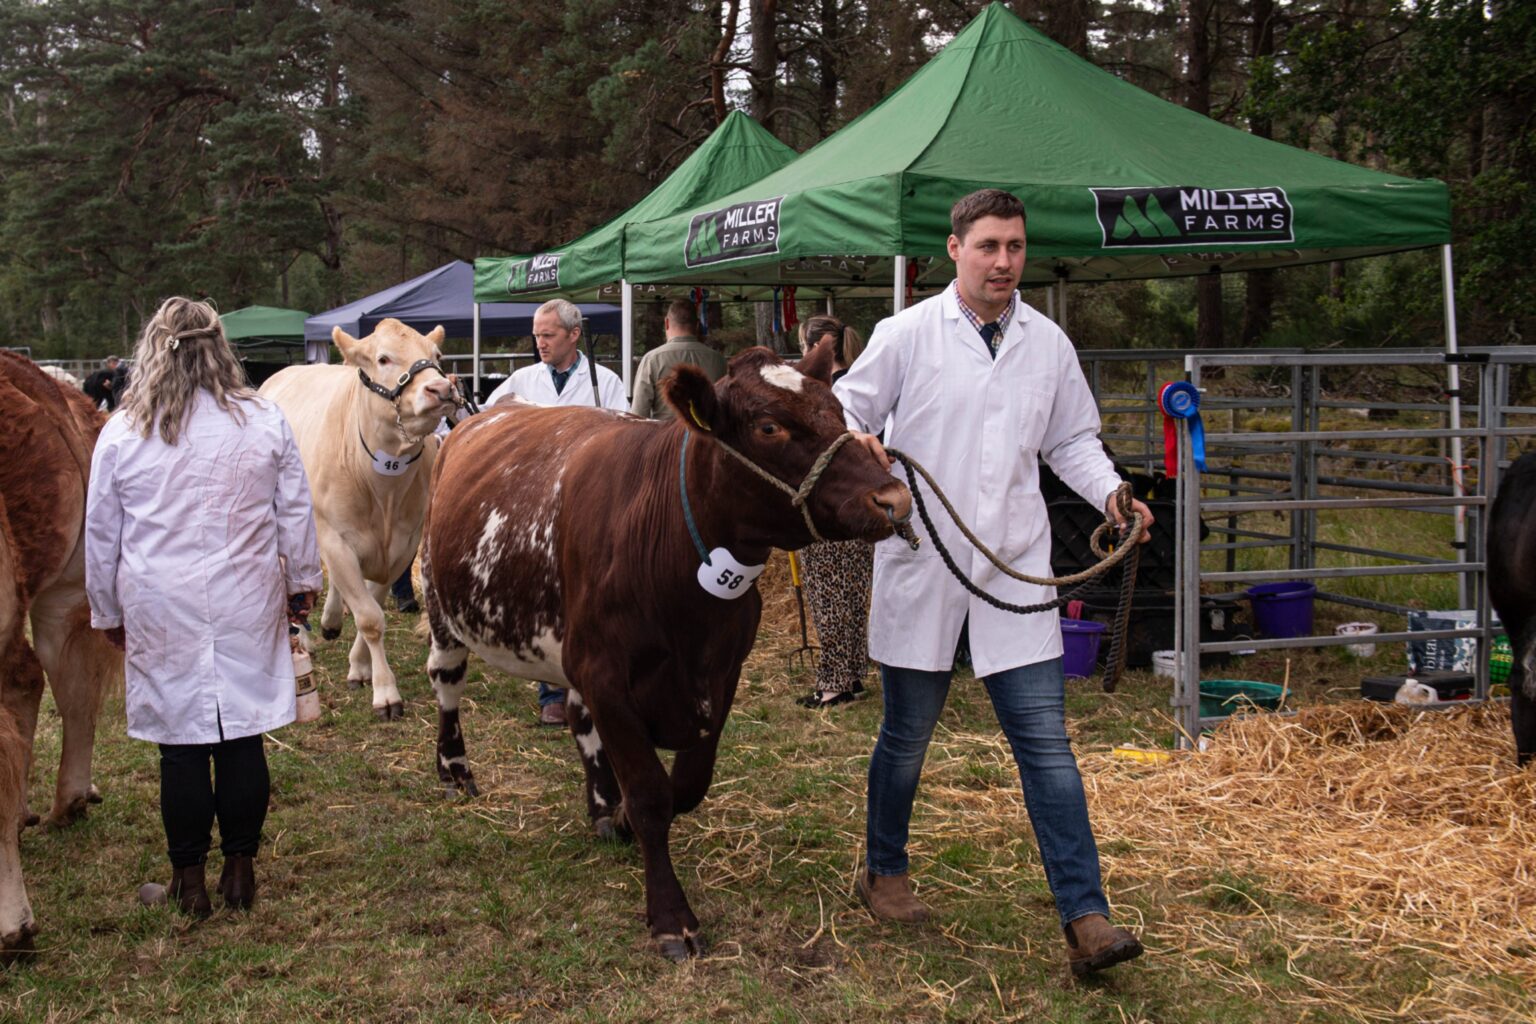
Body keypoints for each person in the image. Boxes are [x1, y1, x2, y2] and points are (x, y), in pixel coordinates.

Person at [833, 189, 1154, 977]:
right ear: (955, 250)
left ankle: (1087, 917)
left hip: (1015, 565)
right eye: (988, 246)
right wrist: (865, 450)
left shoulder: (1047, 343)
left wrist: (1111, 494)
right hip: (925, 558)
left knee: (1046, 747)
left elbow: (1072, 441)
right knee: (906, 739)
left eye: (1015, 246)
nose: (1004, 261)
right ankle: (885, 867)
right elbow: (844, 415)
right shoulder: (905, 334)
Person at [84, 296, 322, 917]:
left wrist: (106, 610)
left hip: (161, 602)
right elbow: (293, 511)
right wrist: (302, 580)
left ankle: (190, 880)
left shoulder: (122, 431)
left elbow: (101, 533)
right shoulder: (263, 419)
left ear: (151, 350)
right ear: (220, 347)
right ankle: (240, 870)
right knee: (243, 737)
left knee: (181, 743)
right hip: (244, 593)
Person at [484, 298, 626, 725]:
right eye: (536, 335)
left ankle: (588, 680)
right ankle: (551, 690)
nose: (539, 343)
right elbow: (487, 424)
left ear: (573, 335)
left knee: (588, 589)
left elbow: (624, 429)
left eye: (548, 335)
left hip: (591, 502)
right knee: (548, 590)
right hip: (533, 505)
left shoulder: (605, 381)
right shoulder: (522, 381)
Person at [793, 315, 874, 709]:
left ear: (818, 348)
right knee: (853, 595)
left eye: (804, 347)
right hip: (858, 506)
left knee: (830, 597)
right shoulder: (860, 386)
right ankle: (852, 674)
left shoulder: (829, 395)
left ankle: (834, 683)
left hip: (830, 508)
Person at [628, 299, 727, 419]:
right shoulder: (719, 360)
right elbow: (726, 408)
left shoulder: (652, 360)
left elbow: (638, 414)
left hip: (664, 436)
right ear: (696, 325)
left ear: (667, 323)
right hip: (708, 436)